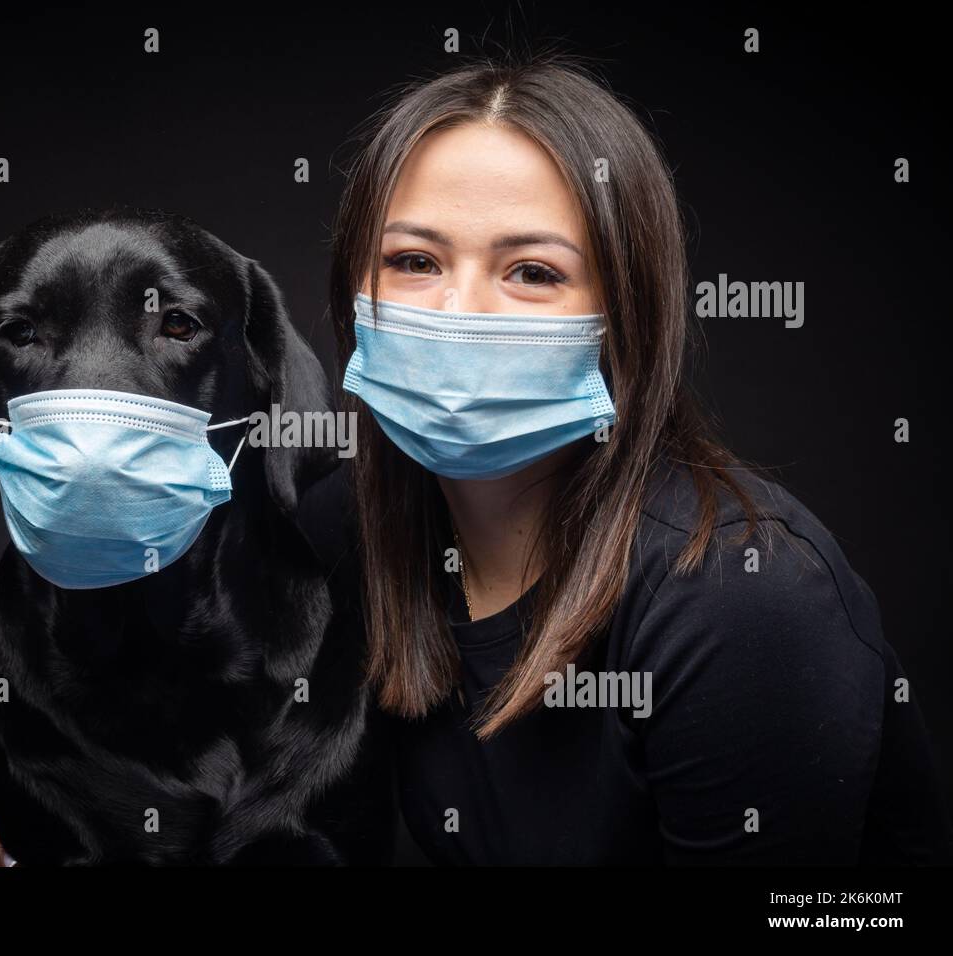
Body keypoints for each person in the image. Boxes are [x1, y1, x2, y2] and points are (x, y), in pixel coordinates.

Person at [325, 52, 952, 864]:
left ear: (626, 313)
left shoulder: (740, 600)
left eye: (532, 272)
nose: (461, 311)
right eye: (414, 261)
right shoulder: (343, 533)